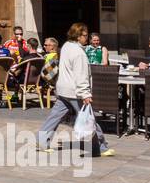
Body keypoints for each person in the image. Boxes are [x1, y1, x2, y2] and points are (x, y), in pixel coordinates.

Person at [36, 22, 115, 157]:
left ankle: (42, 140)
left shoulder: (66, 46)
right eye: (85, 35)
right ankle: (100, 147)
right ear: (78, 36)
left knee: (55, 116)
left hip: (62, 89)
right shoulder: (79, 53)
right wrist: (85, 93)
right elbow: (81, 75)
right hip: (74, 92)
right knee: (89, 119)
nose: (87, 38)